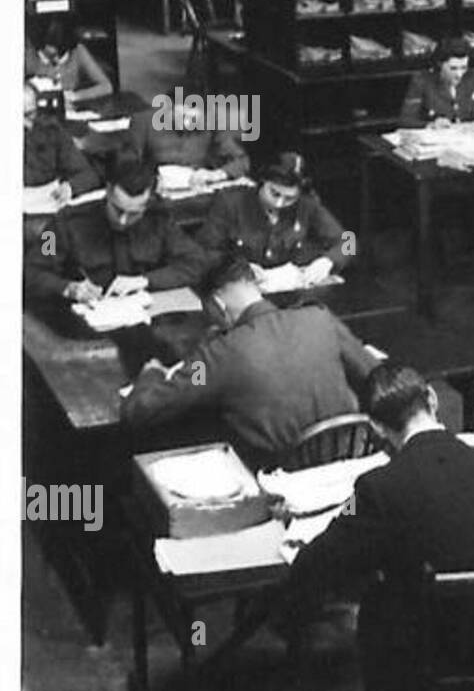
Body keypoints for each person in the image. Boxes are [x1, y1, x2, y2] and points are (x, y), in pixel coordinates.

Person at [276, 362, 474, 691]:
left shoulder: (377, 490)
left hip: (422, 658)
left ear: (377, 428)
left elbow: (320, 563)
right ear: (432, 398)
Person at [121, 253, 376, 470]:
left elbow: (141, 410)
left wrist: (151, 374)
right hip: (352, 461)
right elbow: (374, 373)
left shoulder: (219, 355)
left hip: (278, 477)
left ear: (218, 306)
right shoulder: (319, 318)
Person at [24, 155, 207, 304]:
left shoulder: (160, 219)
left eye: (134, 213)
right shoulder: (63, 222)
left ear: (149, 201)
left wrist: (144, 281)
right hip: (86, 314)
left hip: (142, 310)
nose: (123, 220)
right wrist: (69, 288)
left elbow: (196, 262)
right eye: (118, 210)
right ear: (108, 191)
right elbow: (32, 272)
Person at [198, 151, 352, 287]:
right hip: (242, 288)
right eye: (274, 193)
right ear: (263, 182)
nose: (279, 203)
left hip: (290, 290)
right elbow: (206, 252)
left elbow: (349, 240)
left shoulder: (307, 204)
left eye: (289, 198)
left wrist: (328, 261)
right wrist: (237, 268)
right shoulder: (230, 202)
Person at [131, 103, 249, 184]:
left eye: (193, 120)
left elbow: (241, 161)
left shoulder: (213, 123)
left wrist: (217, 174)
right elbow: (128, 163)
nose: (187, 123)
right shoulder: (144, 121)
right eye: (182, 117)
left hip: (197, 186)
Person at [399, 36, 474, 127]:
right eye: (453, 68)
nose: (459, 74)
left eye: (463, 68)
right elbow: (406, 121)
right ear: (440, 65)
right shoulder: (422, 81)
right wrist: (431, 124)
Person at [24, 79, 100, 204]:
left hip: (46, 205)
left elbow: (88, 175)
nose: (23, 124)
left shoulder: (50, 130)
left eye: (29, 114)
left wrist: (70, 188)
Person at [25, 11, 113, 106]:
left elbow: (106, 86)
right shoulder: (28, 53)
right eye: (50, 56)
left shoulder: (77, 51)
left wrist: (75, 96)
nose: (56, 61)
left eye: (61, 56)